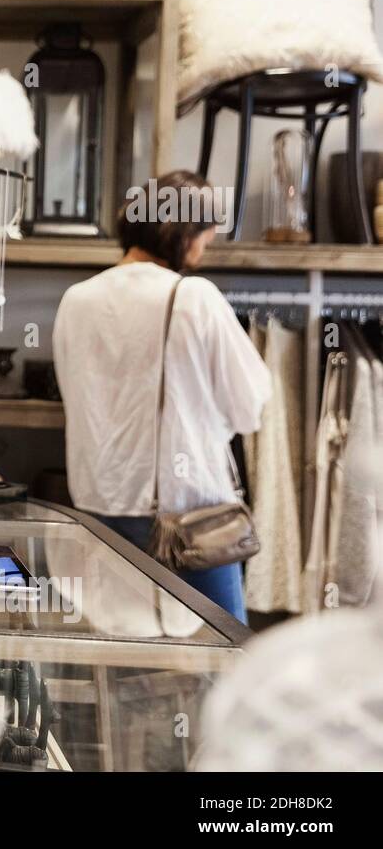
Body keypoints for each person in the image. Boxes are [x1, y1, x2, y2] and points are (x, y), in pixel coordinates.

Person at [53, 170, 272, 623]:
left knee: (121, 661)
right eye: (206, 228)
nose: (209, 240)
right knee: (221, 653)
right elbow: (250, 407)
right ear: (181, 229)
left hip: (97, 511)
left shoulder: (75, 299)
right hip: (185, 521)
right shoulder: (194, 296)